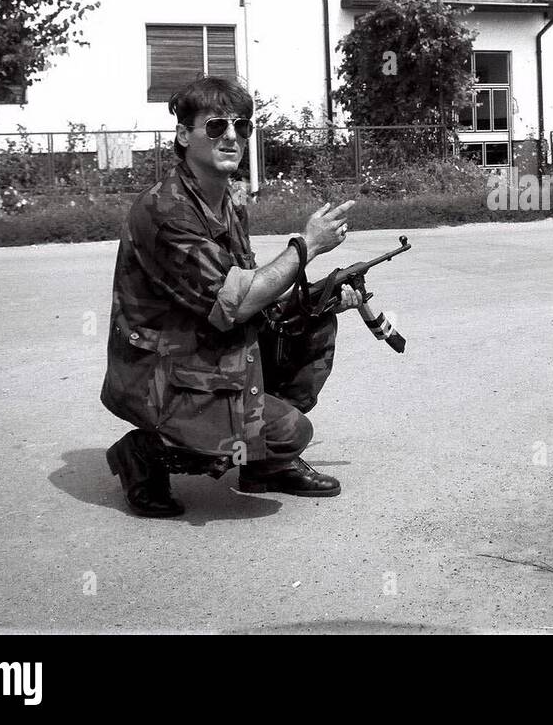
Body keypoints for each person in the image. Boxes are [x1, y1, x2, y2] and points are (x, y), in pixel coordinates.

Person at [100, 75, 359, 518]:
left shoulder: (225, 201)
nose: (233, 136)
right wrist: (307, 246)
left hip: (208, 346)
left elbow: (250, 287)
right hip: (160, 370)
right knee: (291, 431)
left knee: (311, 320)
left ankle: (263, 465)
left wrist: (318, 296)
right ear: (184, 135)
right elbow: (234, 301)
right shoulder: (164, 209)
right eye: (217, 126)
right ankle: (143, 453)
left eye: (242, 126)